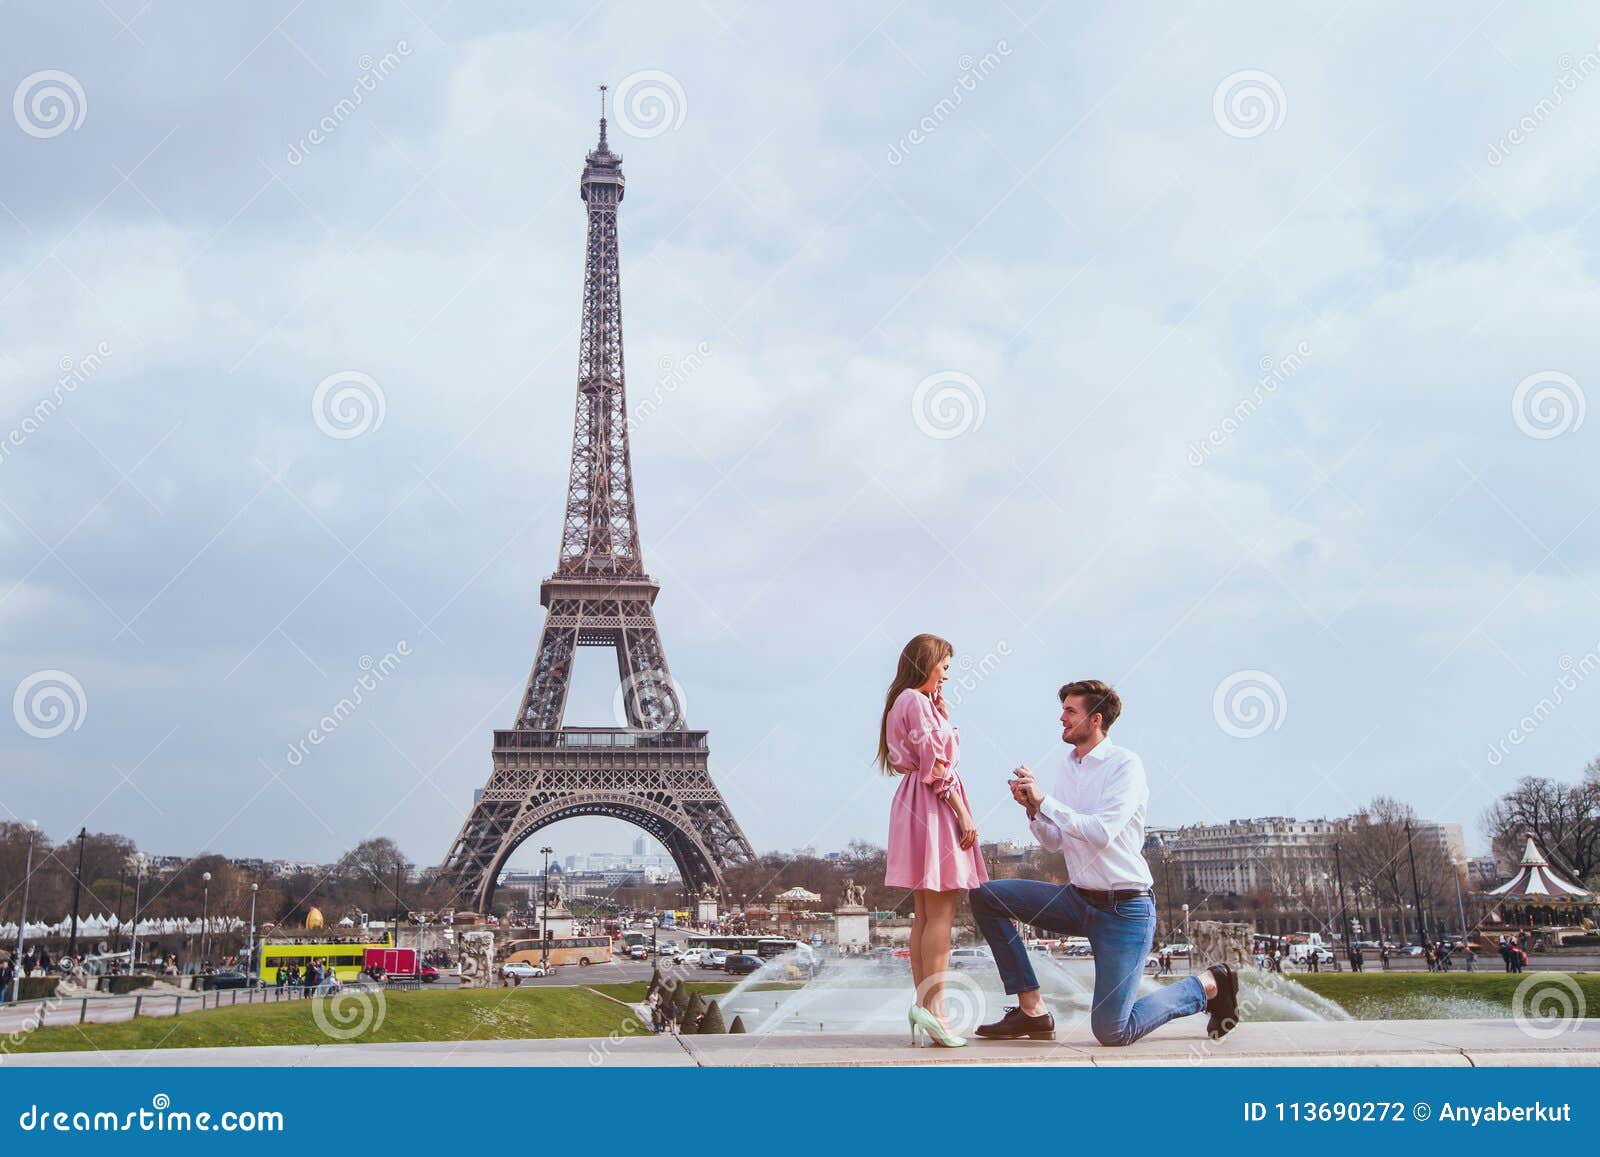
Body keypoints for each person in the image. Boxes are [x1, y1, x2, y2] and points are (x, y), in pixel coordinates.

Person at [969, 679, 1240, 1047]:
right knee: (986, 896)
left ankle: (1208, 985)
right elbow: (1057, 840)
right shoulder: (1070, 766)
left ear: (1095, 720)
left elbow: (1101, 832)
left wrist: (1045, 801)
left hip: (1125, 911)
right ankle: (1031, 1010)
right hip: (1078, 900)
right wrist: (1034, 812)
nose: (1061, 718)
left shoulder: (1124, 766)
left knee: (1112, 1031)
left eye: (1070, 711)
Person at [880, 633, 988, 1048]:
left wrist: (941, 713)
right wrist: (963, 814)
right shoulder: (915, 701)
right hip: (934, 805)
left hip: (915, 802)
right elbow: (937, 767)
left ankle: (924, 1004)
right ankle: (937, 1011)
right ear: (926, 662)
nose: (947, 673)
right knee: (941, 914)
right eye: (944, 665)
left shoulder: (905, 702)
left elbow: (923, 755)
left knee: (925, 915)